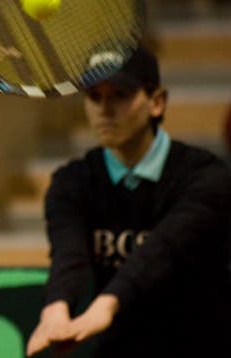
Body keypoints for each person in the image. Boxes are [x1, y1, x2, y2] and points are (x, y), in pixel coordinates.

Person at [26, 46, 231, 357]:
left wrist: (108, 303)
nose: (105, 109)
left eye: (120, 95)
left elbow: (164, 248)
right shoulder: (72, 183)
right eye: (94, 96)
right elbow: (70, 256)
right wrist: (56, 308)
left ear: (157, 103)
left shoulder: (206, 177)